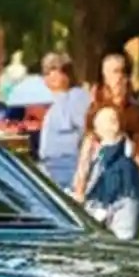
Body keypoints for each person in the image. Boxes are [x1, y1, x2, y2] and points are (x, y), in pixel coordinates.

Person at [79, 106, 139, 239]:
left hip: (120, 202)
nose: (111, 124)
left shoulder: (122, 160)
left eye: (112, 120)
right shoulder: (99, 155)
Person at [36, 52, 91, 189]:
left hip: (68, 163)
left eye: (56, 70)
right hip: (47, 163)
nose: (51, 76)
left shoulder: (77, 97)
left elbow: (87, 129)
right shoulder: (46, 101)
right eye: (47, 72)